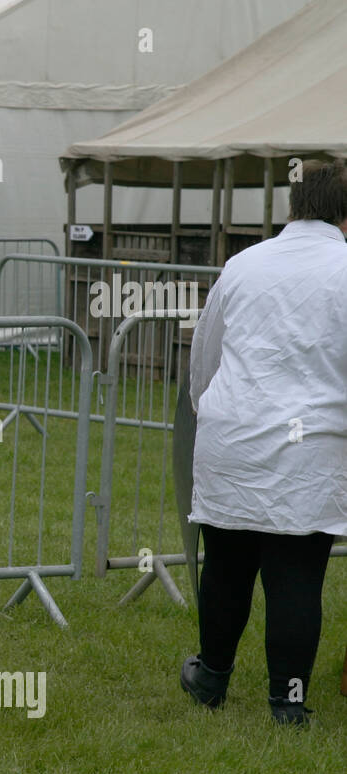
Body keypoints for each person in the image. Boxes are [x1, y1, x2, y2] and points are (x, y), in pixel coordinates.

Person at [181, 158, 347, 726]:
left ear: (292, 206)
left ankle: (210, 679)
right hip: (310, 447)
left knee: (226, 565)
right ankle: (288, 702)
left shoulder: (243, 265)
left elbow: (204, 362)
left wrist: (213, 414)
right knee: (297, 577)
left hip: (233, 436)